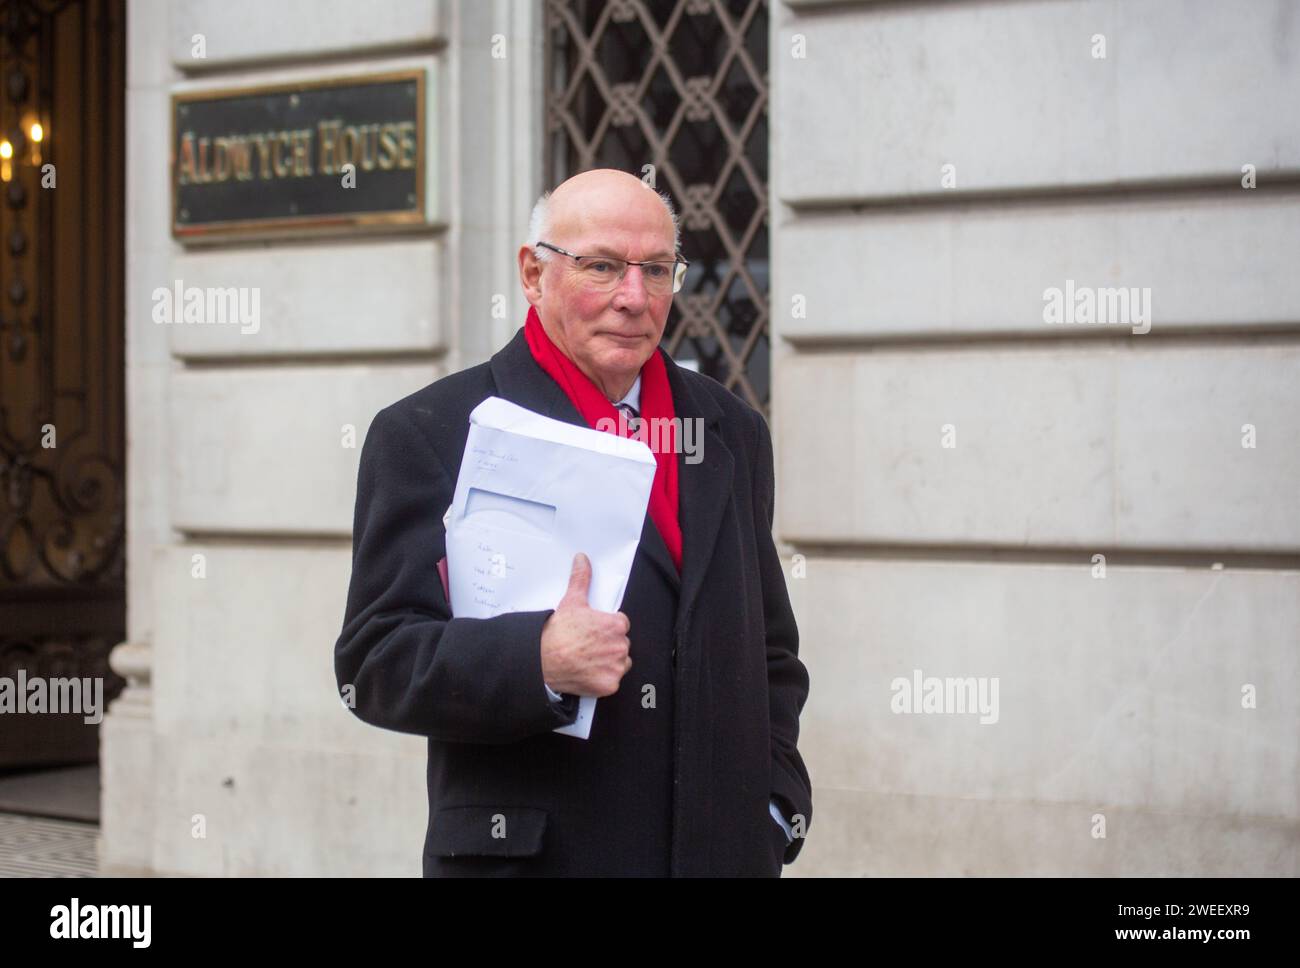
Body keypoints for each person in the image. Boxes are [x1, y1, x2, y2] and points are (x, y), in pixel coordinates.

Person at [334, 168, 812, 876]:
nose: (633, 297)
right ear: (533, 273)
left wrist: (776, 805)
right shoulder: (429, 431)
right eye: (601, 267)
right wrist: (539, 660)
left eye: (656, 270)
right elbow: (374, 664)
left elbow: (769, 650)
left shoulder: (730, 429)